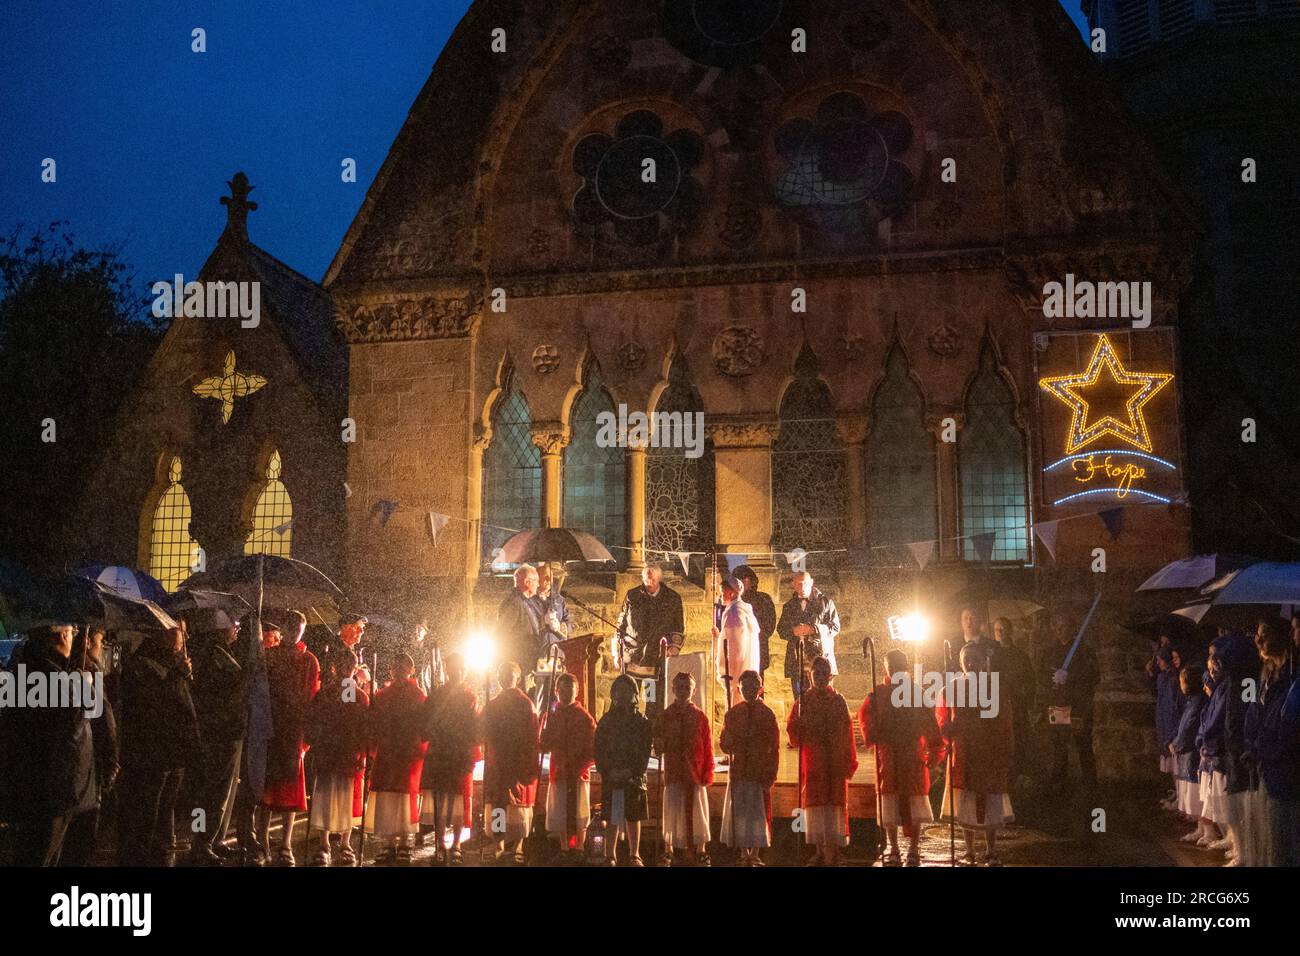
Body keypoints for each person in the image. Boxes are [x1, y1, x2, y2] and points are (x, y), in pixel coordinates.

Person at [5, 624, 100, 867]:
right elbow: (76, 718)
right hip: (52, 787)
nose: (74, 637)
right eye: (72, 632)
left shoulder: (30, 669)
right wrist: (83, 685)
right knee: (40, 854)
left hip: (44, 785)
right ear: (59, 635)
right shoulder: (50, 677)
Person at [117, 626, 200, 867]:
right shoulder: (142, 664)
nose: (186, 637)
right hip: (154, 754)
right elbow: (154, 708)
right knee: (147, 810)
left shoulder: (172, 663)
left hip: (173, 751)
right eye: (180, 631)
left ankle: (162, 849)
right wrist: (178, 675)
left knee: (165, 807)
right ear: (164, 633)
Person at [860, 649, 944, 867]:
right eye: (892, 665)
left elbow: (929, 721)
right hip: (889, 755)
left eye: (899, 664)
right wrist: (874, 731)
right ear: (886, 667)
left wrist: (935, 750)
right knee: (889, 802)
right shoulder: (877, 694)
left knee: (914, 803)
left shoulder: (915, 692)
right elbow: (866, 718)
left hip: (910, 753)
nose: (895, 668)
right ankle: (894, 848)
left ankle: (914, 849)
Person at [940, 642, 1014, 867]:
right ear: (961, 662)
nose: (970, 663)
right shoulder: (951, 689)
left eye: (975, 659)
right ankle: (969, 850)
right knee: (966, 802)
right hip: (964, 755)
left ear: (984, 662)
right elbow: (942, 719)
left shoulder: (995, 690)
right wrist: (948, 729)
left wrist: (1005, 753)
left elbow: (1005, 724)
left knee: (990, 802)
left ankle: (991, 850)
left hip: (989, 753)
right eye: (966, 659)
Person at [186, 610, 248, 866]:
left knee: (220, 793)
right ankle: (200, 842)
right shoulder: (215, 656)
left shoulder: (221, 653)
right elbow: (225, 692)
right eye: (234, 625)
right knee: (211, 793)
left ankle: (212, 838)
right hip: (218, 733)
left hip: (225, 731)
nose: (237, 630)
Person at [258, 611, 320, 866]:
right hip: (271, 729)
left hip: (294, 731)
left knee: (291, 791)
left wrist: (307, 737)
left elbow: (313, 698)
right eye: (292, 626)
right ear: (284, 628)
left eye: (300, 628)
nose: (296, 631)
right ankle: (261, 841)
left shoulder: (309, 660)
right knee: (266, 789)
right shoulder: (269, 656)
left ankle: (285, 843)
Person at [787, 655, 857, 866]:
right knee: (816, 806)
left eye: (823, 673)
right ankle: (819, 850)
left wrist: (848, 760)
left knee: (833, 806)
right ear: (810, 676)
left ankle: (833, 851)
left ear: (829, 675)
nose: (820, 677)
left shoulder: (838, 700)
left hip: (833, 759)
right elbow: (794, 732)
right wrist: (799, 726)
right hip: (814, 759)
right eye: (816, 673)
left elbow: (847, 732)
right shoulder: (803, 702)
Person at [307, 648, 370, 867]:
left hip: (347, 755)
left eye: (349, 668)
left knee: (346, 799)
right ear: (335, 667)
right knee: (327, 798)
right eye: (343, 666)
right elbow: (315, 721)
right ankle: (325, 843)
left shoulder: (357, 696)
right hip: (330, 752)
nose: (346, 671)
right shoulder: (327, 694)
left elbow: (362, 725)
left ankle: (345, 843)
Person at [364, 653, 428, 865]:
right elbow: (373, 724)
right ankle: (389, 843)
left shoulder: (417, 695)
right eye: (394, 667)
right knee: (388, 798)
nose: (397, 670)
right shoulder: (382, 695)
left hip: (407, 753)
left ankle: (403, 842)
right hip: (389, 752)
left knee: (403, 798)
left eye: (401, 667)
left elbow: (423, 725)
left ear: (410, 669)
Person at [420, 652, 480, 864]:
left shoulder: (469, 696)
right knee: (441, 801)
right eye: (454, 668)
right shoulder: (437, 695)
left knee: (458, 801)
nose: (458, 672)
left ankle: (455, 844)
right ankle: (440, 844)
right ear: (448, 670)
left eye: (460, 668)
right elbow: (425, 724)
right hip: (442, 753)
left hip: (459, 754)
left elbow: (474, 728)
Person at [1249, 621, 1300, 866]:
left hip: (1286, 772)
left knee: (1284, 846)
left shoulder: (1293, 677)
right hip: (1268, 767)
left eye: (1265, 635)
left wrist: (1268, 749)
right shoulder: (1268, 674)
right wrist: (1253, 743)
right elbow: (1257, 713)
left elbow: (1288, 730)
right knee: (1271, 841)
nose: (1258, 641)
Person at [481, 660, 540, 864]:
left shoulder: (526, 704)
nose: (505, 678)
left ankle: (518, 845)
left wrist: (526, 767)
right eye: (502, 675)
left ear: (517, 678)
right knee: (499, 804)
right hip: (498, 760)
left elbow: (532, 737)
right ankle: (498, 842)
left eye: (509, 675)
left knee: (520, 807)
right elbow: (484, 733)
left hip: (519, 759)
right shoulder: (493, 704)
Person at [719, 670, 779, 866]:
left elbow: (774, 746)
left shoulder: (767, 714)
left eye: (753, 688)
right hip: (740, 770)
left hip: (758, 769)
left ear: (760, 689)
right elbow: (726, 745)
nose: (749, 691)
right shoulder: (733, 714)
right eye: (745, 688)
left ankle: (755, 852)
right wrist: (726, 742)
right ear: (740, 689)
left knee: (757, 813)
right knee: (742, 812)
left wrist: (770, 774)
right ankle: (743, 852)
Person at [593, 674, 653, 867]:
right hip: (612, 775)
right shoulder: (606, 722)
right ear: (613, 694)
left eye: (627, 690)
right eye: (619, 690)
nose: (623, 694)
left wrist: (632, 771)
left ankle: (634, 854)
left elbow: (644, 751)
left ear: (634, 694)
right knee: (612, 816)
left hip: (633, 777)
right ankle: (610, 854)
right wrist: (607, 771)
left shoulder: (642, 722)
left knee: (633, 816)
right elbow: (599, 749)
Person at [656, 670, 713, 866]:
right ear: (672, 689)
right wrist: (659, 743)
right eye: (679, 687)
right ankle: (668, 848)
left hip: (694, 770)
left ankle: (700, 849)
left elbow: (707, 746)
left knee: (697, 811)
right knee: (672, 809)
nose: (682, 691)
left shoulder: (700, 717)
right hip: (674, 770)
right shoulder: (666, 715)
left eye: (687, 687)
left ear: (693, 690)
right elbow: (658, 745)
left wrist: (708, 770)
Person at [540, 672, 596, 859]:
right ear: (556, 692)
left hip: (578, 772)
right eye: (562, 689)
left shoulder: (584, 717)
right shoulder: (552, 716)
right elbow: (545, 744)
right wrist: (544, 736)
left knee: (579, 812)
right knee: (561, 811)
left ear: (576, 691)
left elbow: (592, 747)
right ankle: (565, 848)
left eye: (570, 689)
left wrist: (580, 766)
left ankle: (579, 848)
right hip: (559, 770)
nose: (566, 693)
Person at [1041, 612, 1099, 791]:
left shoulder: (1085, 651)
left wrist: (1071, 677)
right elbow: (1042, 675)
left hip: (1079, 706)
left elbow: (1094, 677)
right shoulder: (1050, 651)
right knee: (1059, 744)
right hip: (1057, 703)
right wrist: (1052, 679)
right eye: (1056, 627)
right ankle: (1058, 781)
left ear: (1073, 629)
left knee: (1083, 744)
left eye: (1063, 626)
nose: (1059, 630)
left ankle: (1090, 783)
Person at [776, 572, 840, 702]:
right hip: (797, 661)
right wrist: (793, 631)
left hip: (820, 661)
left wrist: (814, 629)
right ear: (794, 585)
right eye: (798, 584)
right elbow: (781, 629)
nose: (802, 587)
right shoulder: (789, 606)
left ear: (811, 582)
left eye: (805, 583)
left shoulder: (825, 602)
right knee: (800, 702)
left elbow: (835, 627)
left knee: (822, 701)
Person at [615, 564, 686, 673]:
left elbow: (679, 626)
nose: (649, 583)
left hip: (658, 655)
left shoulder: (673, 598)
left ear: (659, 579)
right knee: (630, 688)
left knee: (653, 689)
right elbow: (621, 624)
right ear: (643, 579)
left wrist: (674, 647)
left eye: (653, 580)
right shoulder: (632, 595)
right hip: (633, 653)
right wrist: (617, 653)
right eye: (647, 580)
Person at [992, 616, 1033, 787]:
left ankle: (1018, 774)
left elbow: (1029, 680)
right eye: (996, 629)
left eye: (1002, 629)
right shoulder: (992, 656)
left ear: (1010, 631)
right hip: (998, 705)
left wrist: (1024, 700)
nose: (1000, 633)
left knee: (1018, 739)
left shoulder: (1020, 656)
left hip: (1016, 704)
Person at [1171, 664, 1210, 845]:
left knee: (1197, 795)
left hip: (1193, 754)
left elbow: (1190, 728)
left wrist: (1179, 744)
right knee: (1192, 794)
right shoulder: (1191, 702)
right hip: (1187, 753)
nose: (1180, 684)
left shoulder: (1198, 702)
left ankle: (1208, 830)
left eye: (1182, 681)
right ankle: (1200, 829)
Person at [713, 576, 760, 708]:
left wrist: (731, 675)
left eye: (722, 593)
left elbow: (734, 646)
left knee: (736, 707)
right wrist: (718, 636)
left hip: (737, 672)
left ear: (731, 592)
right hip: (747, 669)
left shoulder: (734, 612)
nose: (720, 596)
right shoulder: (743, 609)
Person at [497, 565, 545, 686]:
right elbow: (502, 633)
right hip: (519, 663)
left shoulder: (529, 601)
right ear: (527, 582)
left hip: (529, 662)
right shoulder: (513, 602)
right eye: (536, 581)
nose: (538, 585)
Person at [733, 565, 776, 681]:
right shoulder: (731, 601)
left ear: (752, 581)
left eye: (744, 580)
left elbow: (769, 626)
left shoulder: (764, 599)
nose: (740, 583)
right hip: (737, 653)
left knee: (756, 689)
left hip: (757, 651)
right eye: (737, 580)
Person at [1153, 645, 1182, 811]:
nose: (1158, 662)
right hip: (1163, 719)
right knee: (1170, 763)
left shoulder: (1174, 679)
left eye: (1160, 659)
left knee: (1177, 763)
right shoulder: (1163, 678)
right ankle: (1177, 793)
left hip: (1171, 719)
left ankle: (1181, 796)